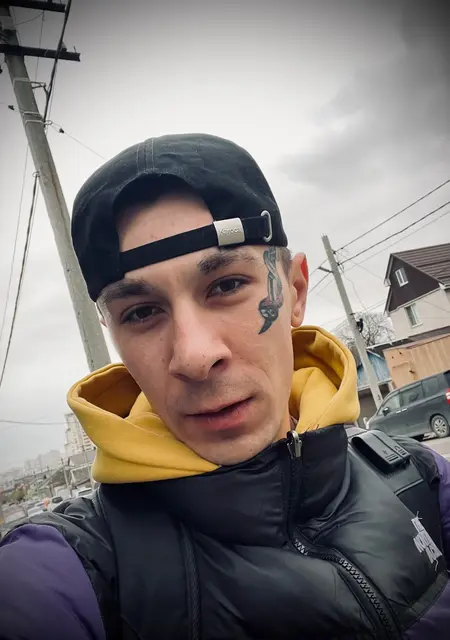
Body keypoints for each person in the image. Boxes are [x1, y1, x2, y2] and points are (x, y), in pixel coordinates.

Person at [0, 133, 449, 640]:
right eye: (142, 313)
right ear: (114, 336)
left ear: (295, 291)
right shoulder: (80, 565)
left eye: (227, 285)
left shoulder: (417, 476)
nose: (195, 356)